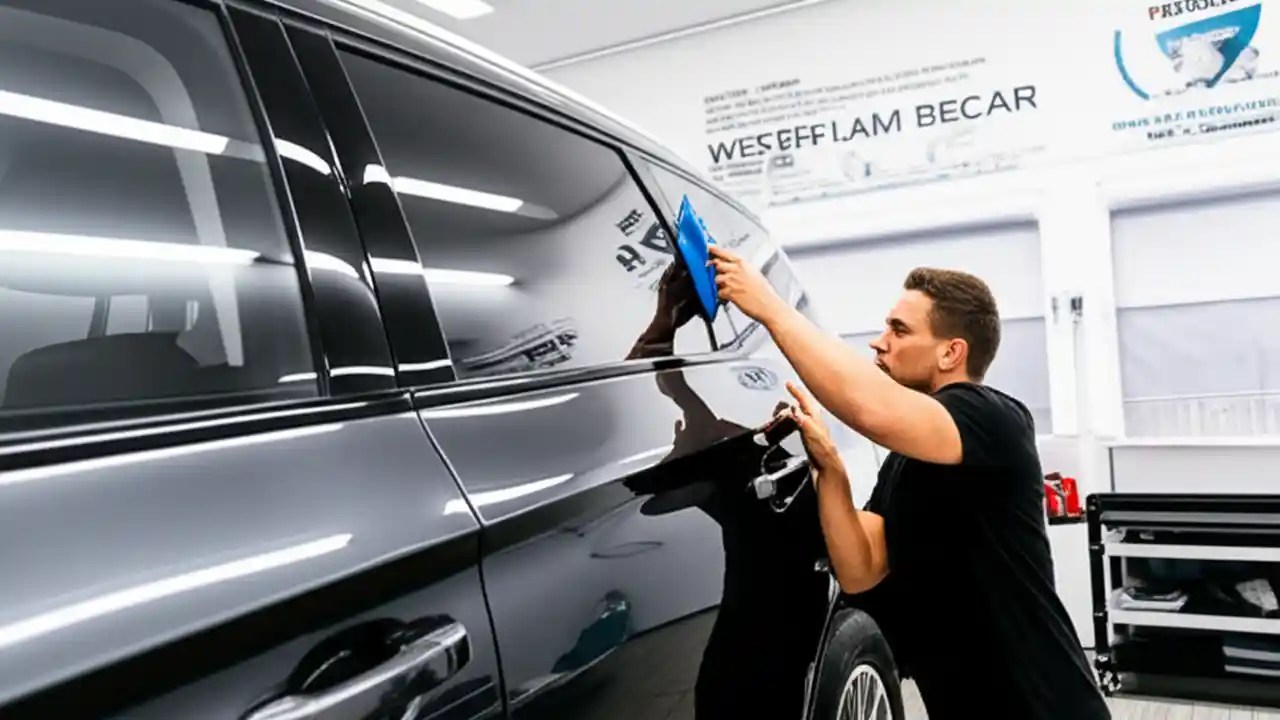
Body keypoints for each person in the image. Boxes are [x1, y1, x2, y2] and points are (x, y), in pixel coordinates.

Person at [708, 245, 1111, 720]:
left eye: (899, 330)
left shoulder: (994, 418)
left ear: (950, 352)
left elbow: (870, 408)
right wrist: (829, 470)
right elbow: (862, 566)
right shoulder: (906, 459)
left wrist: (769, 307)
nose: (880, 342)